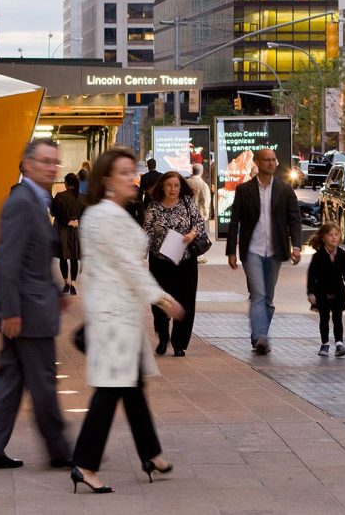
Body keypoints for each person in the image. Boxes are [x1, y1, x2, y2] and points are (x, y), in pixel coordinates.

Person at [70, 146, 185, 495]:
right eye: (123, 173)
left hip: (119, 314)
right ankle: (85, 464)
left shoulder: (113, 213)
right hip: (112, 317)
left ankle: (151, 453)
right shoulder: (104, 216)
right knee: (111, 390)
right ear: (106, 180)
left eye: (131, 171)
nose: (131, 178)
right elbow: (128, 266)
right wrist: (163, 299)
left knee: (131, 387)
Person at [0, 138, 73, 471]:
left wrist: (57, 290)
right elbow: (9, 260)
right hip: (26, 312)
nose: (51, 167)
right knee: (43, 382)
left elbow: (35, 259)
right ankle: (60, 450)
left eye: (54, 162)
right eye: (44, 160)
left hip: (30, 305)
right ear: (26, 163)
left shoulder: (35, 200)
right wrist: (12, 310)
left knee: (9, 380)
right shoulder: (22, 201)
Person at [226, 147, 302, 355]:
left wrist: (296, 246)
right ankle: (261, 336)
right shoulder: (245, 190)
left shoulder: (285, 189)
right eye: (266, 160)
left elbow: (294, 219)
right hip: (252, 249)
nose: (271, 163)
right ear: (257, 163)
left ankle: (259, 337)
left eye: (273, 160)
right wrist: (231, 251)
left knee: (268, 297)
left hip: (275, 250)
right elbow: (234, 223)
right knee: (258, 294)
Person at [143, 171, 209, 357]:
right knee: (160, 300)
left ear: (181, 187)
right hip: (160, 261)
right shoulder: (154, 207)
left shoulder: (188, 203)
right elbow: (146, 232)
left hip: (185, 260)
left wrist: (192, 235)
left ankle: (180, 343)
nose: (173, 189)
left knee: (186, 301)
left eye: (176, 185)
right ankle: (163, 336)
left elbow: (199, 223)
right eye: (169, 185)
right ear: (162, 187)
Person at [306, 221, 345, 357]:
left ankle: (339, 343)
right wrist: (310, 292)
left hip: (339, 291)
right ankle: (325, 344)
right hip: (322, 292)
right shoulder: (318, 256)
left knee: (338, 317)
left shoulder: (342, 255)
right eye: (330, 235)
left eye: (336, 235)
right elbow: (312, 275)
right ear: (323, 238)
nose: (334, 237)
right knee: (324, 318)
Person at [51, 173, 84, 295]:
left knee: (63, 257)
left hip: (62, 230)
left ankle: (66, 283)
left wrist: (67, 221)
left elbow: (54, 212)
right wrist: (77, 221)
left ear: (66, 183)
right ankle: (73, 284)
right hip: (76, 230)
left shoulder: (59, 196)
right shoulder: (81, 198)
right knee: (74, 257)